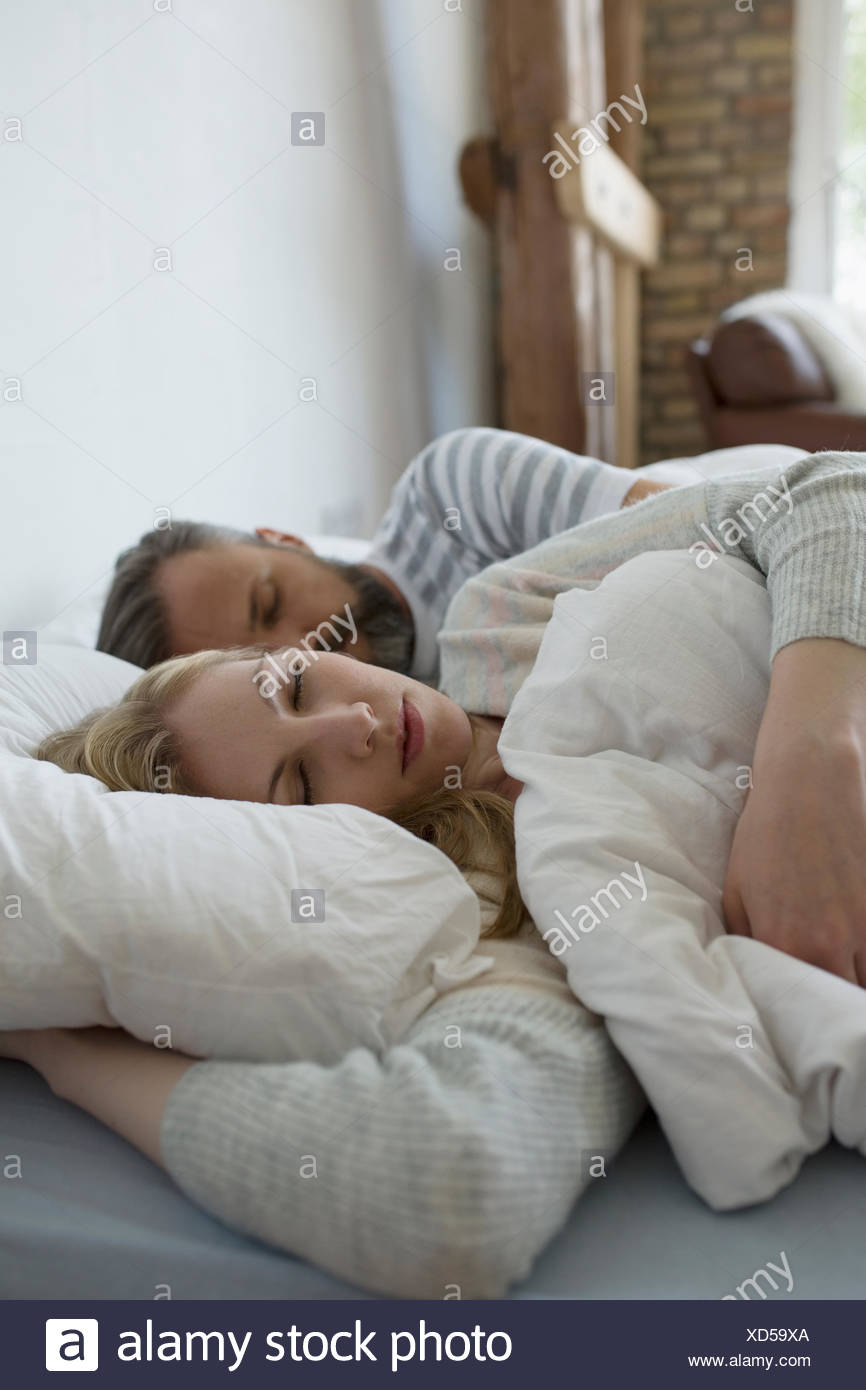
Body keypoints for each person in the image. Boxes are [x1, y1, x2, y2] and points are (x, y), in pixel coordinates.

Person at [6, 449, 866, 1298]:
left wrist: (811, 762)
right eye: (303, 784)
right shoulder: (504, 904)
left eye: (298, 684)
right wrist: (63, 1051)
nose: (354, 725)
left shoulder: (501, 610)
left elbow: (829, 489)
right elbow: (445, 1190)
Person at [96, 427, 671, 679]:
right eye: (258, 669)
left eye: (271, 603)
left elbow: (702, 525)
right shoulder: (362, 758)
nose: (305, 651)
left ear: (289, 542)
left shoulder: (452, 495)